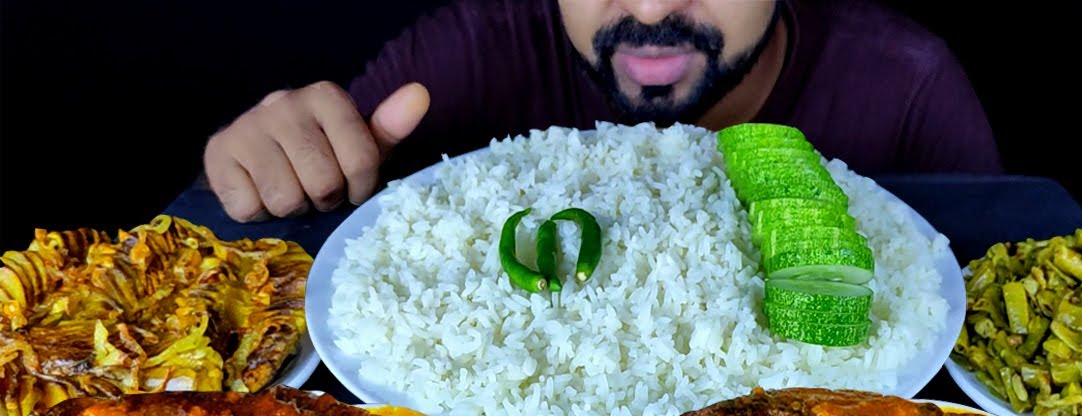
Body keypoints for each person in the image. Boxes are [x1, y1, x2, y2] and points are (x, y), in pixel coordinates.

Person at [203, 0, 1001, 222]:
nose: (652, 8)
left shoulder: (910, 88)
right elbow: (305, 164)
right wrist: (278, 162)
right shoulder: (458, 58)